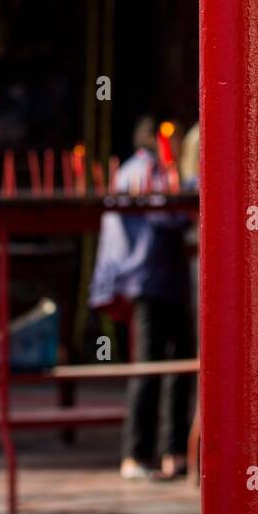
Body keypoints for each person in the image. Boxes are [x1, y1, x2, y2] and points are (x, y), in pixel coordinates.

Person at [89, 116, 194, 480]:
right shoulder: (146, 171)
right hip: (150, 279)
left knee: (179, 365)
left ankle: (174, 452)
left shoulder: (133, 170)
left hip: (159, 279)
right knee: (150, 368)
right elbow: (168, 216)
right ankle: (137, 454)